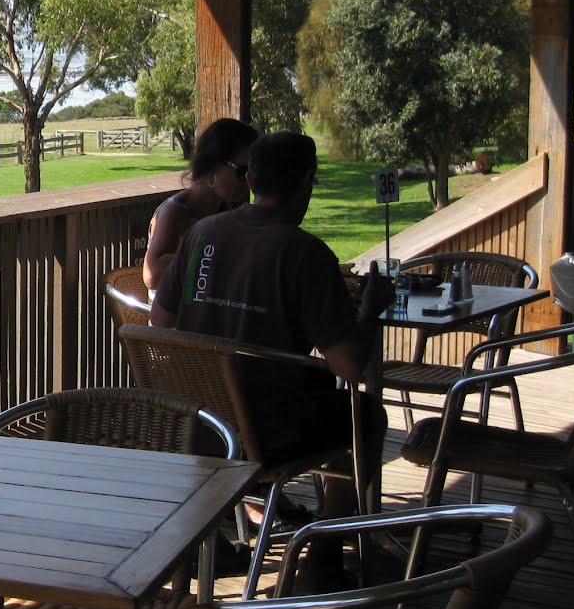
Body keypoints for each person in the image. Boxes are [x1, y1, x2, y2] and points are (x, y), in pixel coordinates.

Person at [150, 130, 391, 585]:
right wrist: (371, 312)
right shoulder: (306, 254)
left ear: (253, 178)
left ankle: (211, 542)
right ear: (306, 183)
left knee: (338, 409)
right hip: (269, 433)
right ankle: (326, 556)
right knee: (365, 417)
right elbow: (349, 367)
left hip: (195, 425)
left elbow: (159, 328)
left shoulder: (203, 234)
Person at [142, 117, 259, 296]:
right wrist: (216, 257)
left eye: (254, 171)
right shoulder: (175, 211)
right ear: (213, 166)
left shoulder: (229, 207)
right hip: (174, 318)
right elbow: (152, 275)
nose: (248, 180)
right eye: (242, 171)